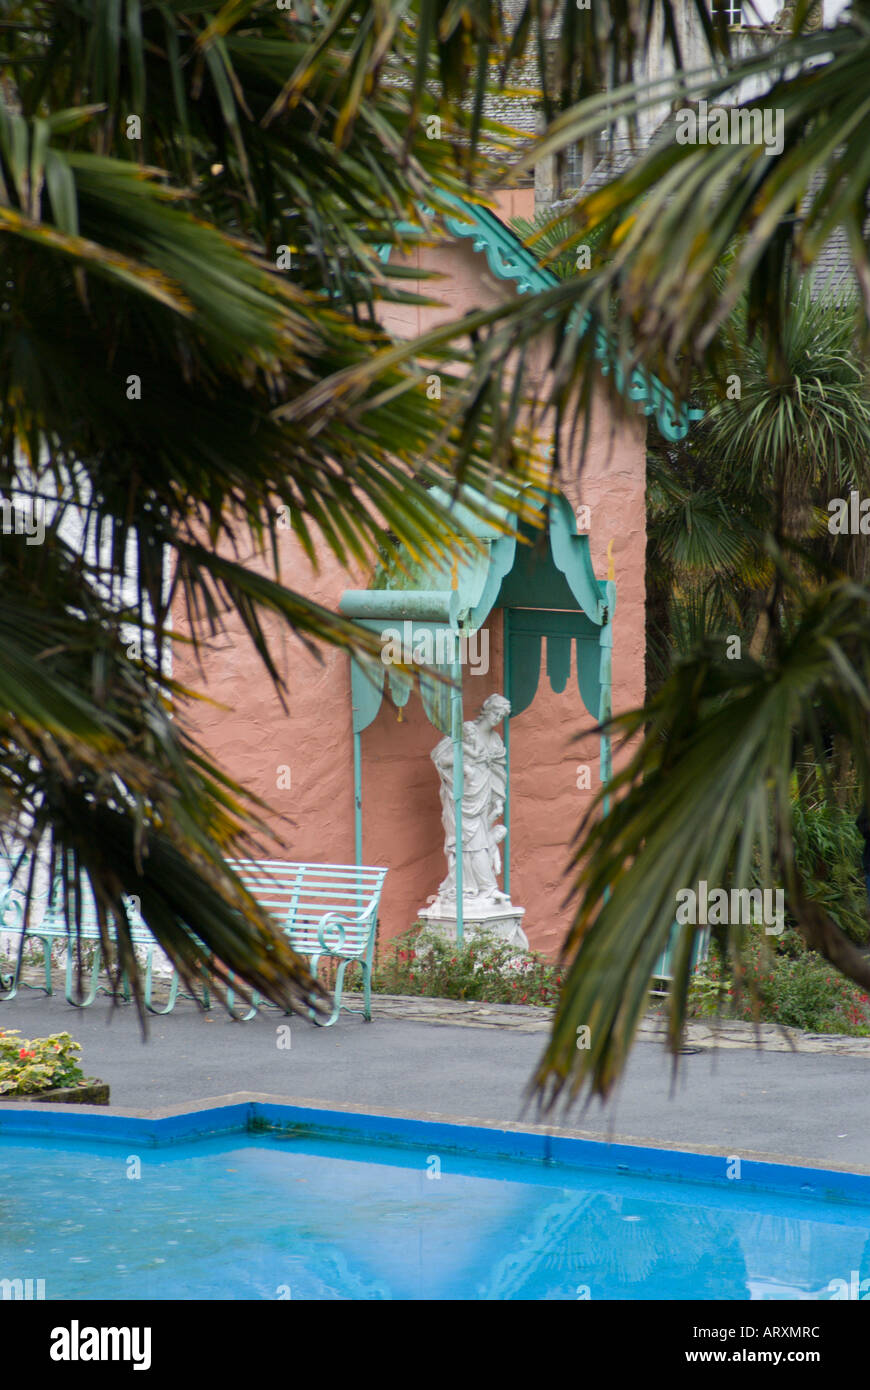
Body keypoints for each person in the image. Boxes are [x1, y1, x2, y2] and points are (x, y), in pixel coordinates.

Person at [430, 694, 511, 905]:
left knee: (479, 843)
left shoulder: (495, 740)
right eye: (495, 712)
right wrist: (465, 767)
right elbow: (440, 756)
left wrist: (499, 798)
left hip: (483, 797)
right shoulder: (467, 730)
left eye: (501, 715)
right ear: (486, 709)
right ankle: (479, 887)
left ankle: (477, 887)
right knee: (471, 843)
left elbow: (498, 769)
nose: (497, 718)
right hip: (462, 797)